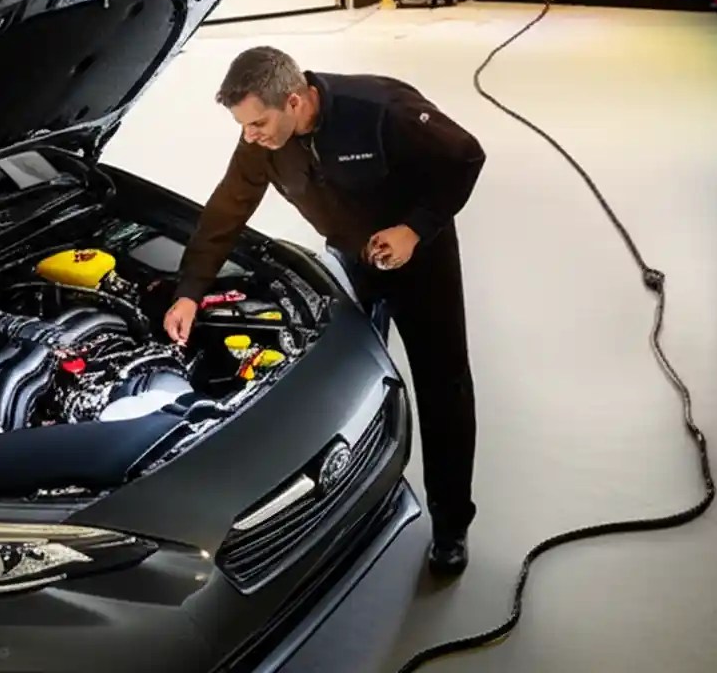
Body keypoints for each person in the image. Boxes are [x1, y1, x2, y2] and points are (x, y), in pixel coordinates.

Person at [163, 46, 485, 576]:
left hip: (417, 259)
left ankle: (451, 524)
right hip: (350, 257)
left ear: (295, 100)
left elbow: (465, 156)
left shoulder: (381, 108)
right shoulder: (263, 144)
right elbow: (226, 209)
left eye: (259, 122)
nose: (251, 135)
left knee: (441, 384)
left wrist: (415, 229)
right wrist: (190, 290)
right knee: (347, 375)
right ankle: (355, 496)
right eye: (243, 125)